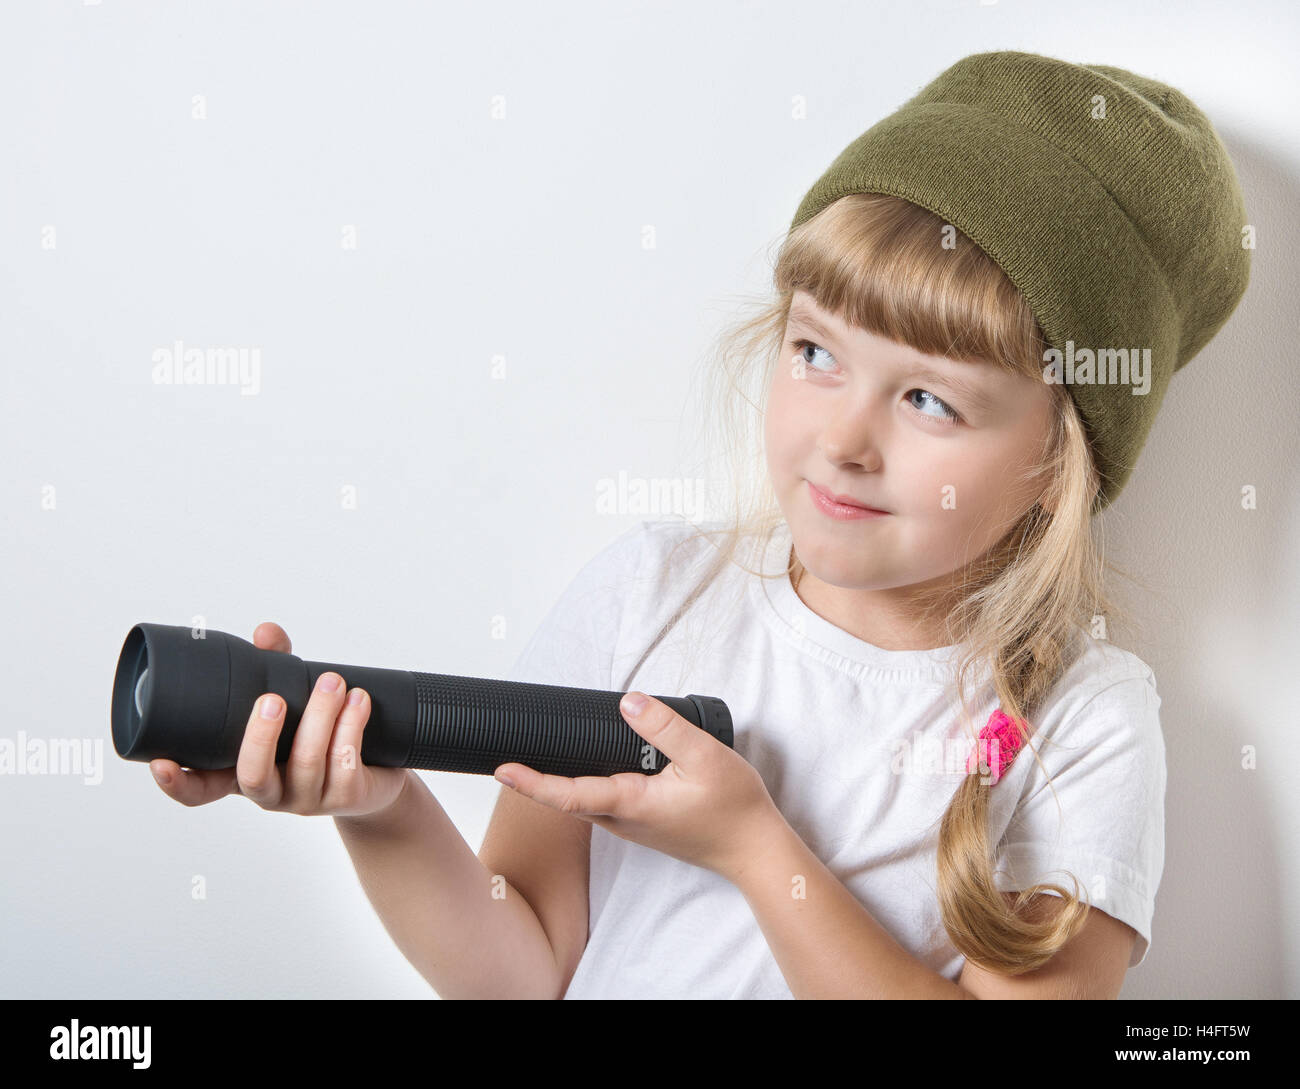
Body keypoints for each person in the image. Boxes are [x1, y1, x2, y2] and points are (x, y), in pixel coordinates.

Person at [147, 50, 1251, 999]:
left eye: (927, 399)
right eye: (816, 353)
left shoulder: (1081, 724)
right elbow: (521, 967)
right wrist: (377, 805)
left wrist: (753, 847)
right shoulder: (651, 594)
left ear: (1056, 464)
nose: (842, 440)